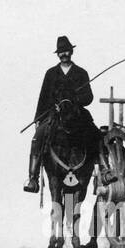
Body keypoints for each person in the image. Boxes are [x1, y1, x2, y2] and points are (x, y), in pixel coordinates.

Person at [26, 35, 95, 193]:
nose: (64, 54)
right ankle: (32, 178)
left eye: (66, 51)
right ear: (58, 54)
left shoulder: (81, 73)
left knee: (94, 133)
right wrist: (38, 119)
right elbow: (43, 96)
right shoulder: (51, 73)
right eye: (61, 52)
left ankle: (104, 169)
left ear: (71, 52)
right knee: (37, 138)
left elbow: (89, 97)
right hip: (54, 114)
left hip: (76, 113)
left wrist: (75, 100)